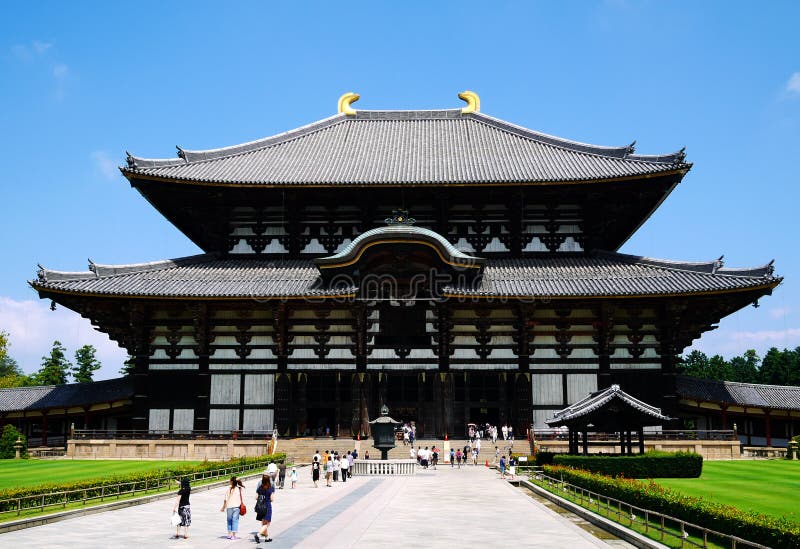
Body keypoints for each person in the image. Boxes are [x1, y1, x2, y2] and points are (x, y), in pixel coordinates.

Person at [220, 476, 245, 540]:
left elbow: (225, 500)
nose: (229, 481)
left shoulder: (229, 489)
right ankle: (233, 536)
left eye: (230, 480)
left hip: (229, 507)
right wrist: (238, 480)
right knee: (235, 521)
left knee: (229, 521)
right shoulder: (239, 489)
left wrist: (223, 507)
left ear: (231, 482)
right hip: (236, 507)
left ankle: (229, 534)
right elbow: (240, 483)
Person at [254, 474, 275, 543]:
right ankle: (258, 534)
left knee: (264, 523)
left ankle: (266, 538)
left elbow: (256, 497)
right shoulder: (270, 488)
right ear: (269, 480)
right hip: (267, 506)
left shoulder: (260, 487)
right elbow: (272, 499)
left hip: (260, 507)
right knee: (267, 523)